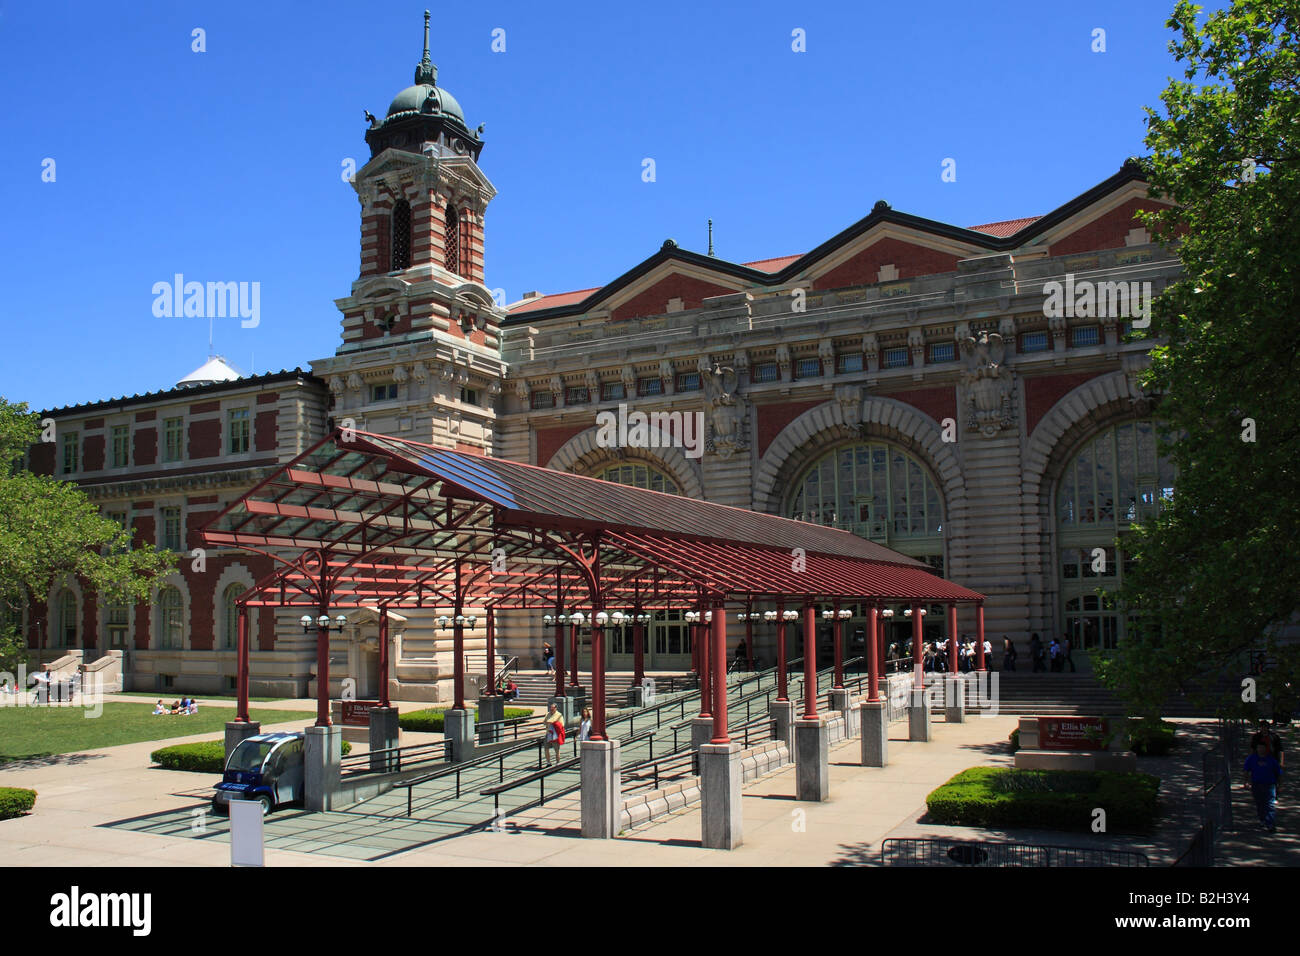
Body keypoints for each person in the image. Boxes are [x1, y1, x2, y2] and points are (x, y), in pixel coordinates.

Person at [1244, 740, 1282, 831]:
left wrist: (1280, 784)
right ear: (1256, 749)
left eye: (1262, 748)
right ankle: (1262, 819)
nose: (1261, 750)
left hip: (1269, 784)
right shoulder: (1252, 758)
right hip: (1257, 784)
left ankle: (1270, 823)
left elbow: (1279, 772)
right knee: (1260, 803)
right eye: (1259, 748)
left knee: (1270, 804)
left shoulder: (1271, 760)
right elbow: (1246, 770)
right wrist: (1246, 781)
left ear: (1265, 749)